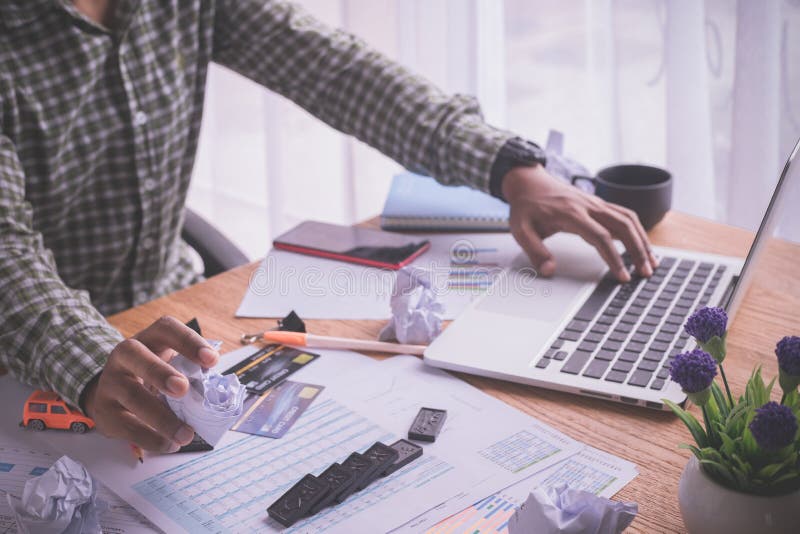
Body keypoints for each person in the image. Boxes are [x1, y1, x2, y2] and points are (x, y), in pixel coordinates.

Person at [0, 0, 656, 452]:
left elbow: (334, 69)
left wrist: (512, 168)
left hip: (178, 325)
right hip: (36, 360)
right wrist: (87, 360)